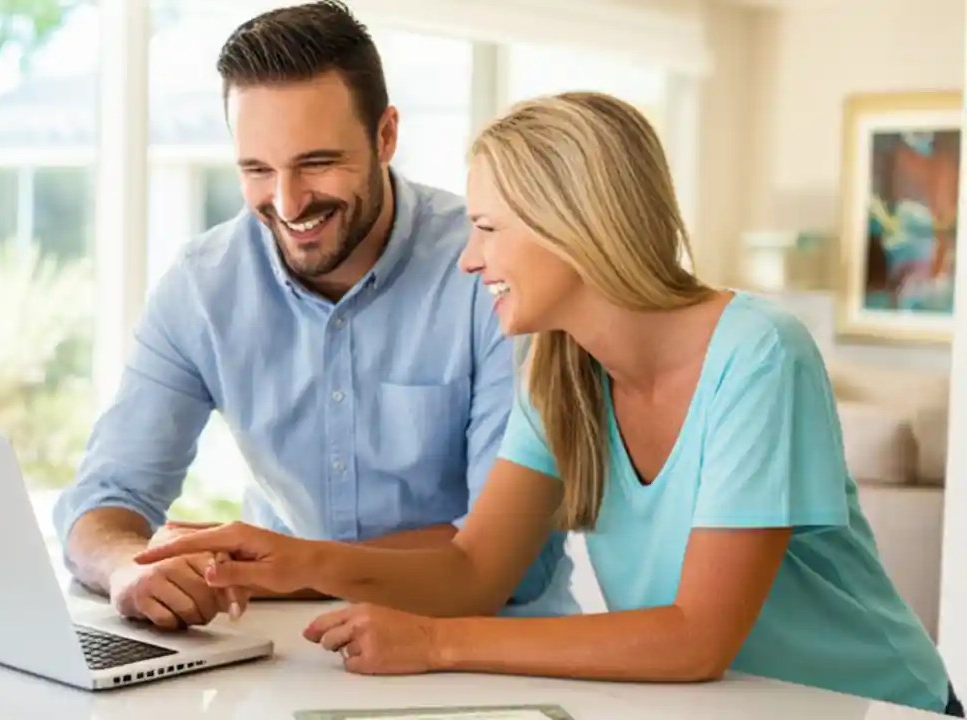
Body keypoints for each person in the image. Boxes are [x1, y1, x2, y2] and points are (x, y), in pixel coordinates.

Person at [136, 91, 963, 716]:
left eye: (489, 228)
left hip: (871, 707)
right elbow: (474, 572)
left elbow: (696, 637)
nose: (469, 260)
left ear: (575, 224)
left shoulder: (758, 354)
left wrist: (437, 645)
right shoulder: (558, 373)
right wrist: (295, 561)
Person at [52, 0, 575, 631]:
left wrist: (281, 565)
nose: (287, 202)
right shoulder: (203, 286)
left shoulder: (490, 271)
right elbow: (104, 499)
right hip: (289, 646)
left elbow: (498, 558)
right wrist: (128, 569)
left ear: (385, 136)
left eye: (316, 163)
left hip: (492, 649)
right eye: (257, 169)